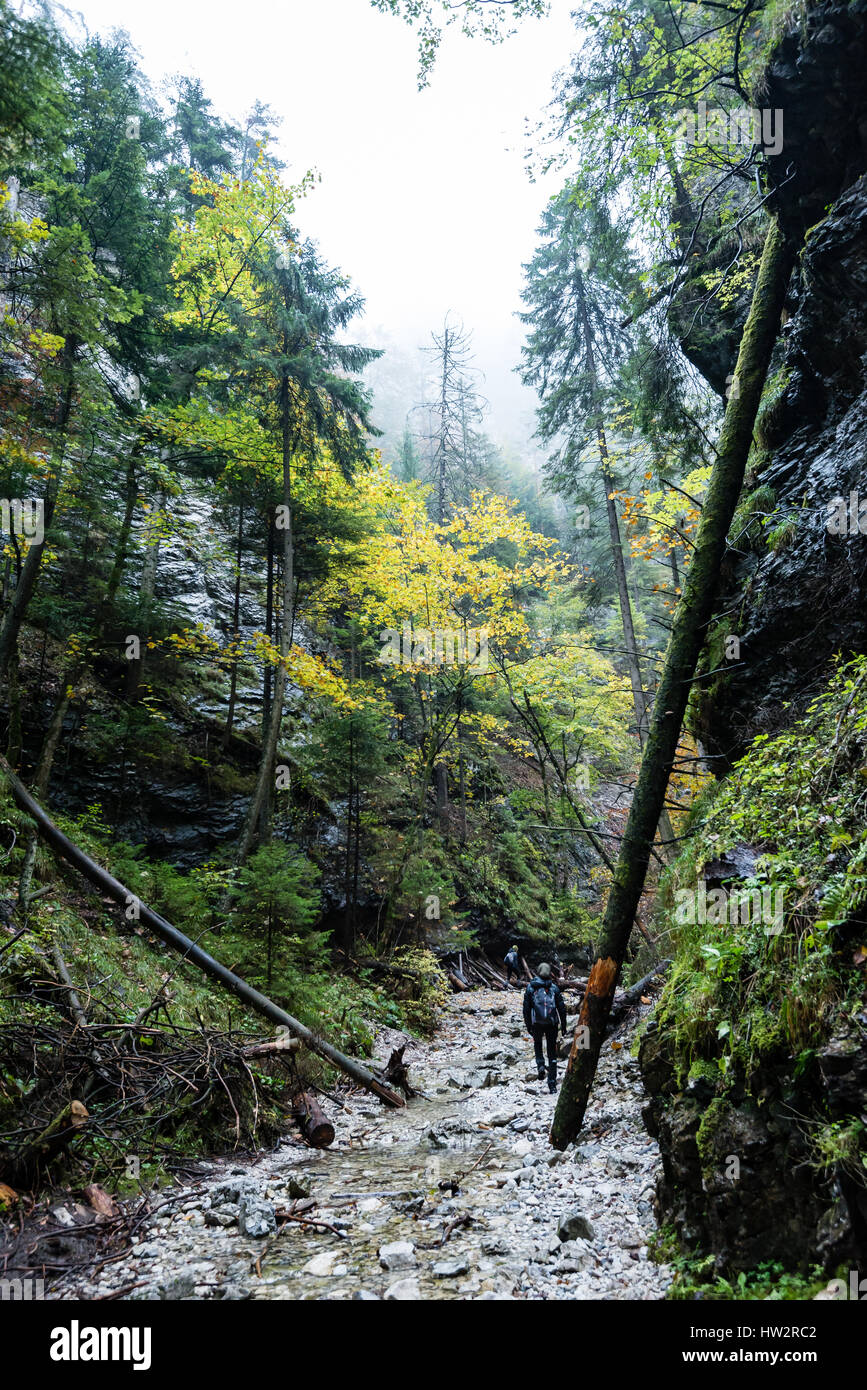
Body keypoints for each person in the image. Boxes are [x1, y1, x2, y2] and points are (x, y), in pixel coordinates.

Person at [523, 962, 567, 1094]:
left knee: (537, 1044)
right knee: (552, 1052)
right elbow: (561, 1008)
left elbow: (526, 1009)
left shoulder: (531, 987)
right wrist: (563, 1025)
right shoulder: (554, 988)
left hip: (537, 1023)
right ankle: (552, 1084)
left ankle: (540, 1065)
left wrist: (528, 1025)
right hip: (552, 1024)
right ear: (549, 973)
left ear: (538, 972)